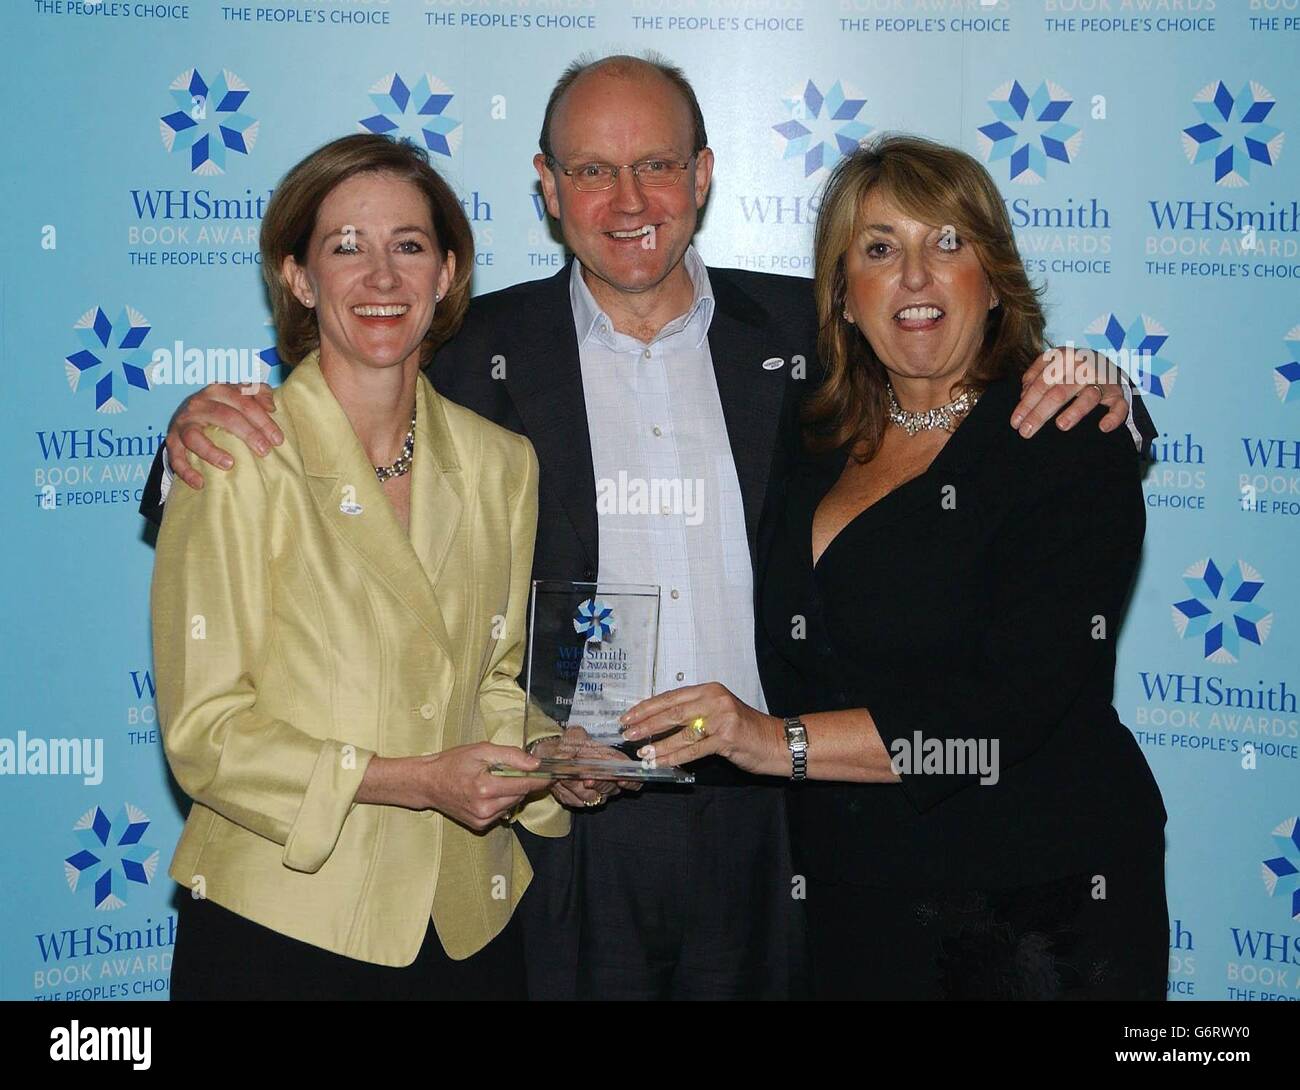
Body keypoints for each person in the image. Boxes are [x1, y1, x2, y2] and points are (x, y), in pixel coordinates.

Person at [140, 56, 1150, 1001]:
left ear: (702, 175)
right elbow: (317, 434)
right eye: (592, 170)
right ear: (546, 186)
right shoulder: (462, 349)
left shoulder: (813, 333)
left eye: (656, 165)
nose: (629, 201)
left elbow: (972, 387)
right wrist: (186, 433)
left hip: (788, 822)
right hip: (561, 821)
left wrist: (1105, 389)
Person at [621, 134, 1169, 1000]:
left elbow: (1000, 715)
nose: (915, 276)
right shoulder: (813, 434)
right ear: (840, 296)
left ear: (993, 279)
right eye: (880, 249)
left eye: (947, 243)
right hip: (848, 900)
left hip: (1038, 910)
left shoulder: (1063, 437)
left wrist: (770, 742)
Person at [151, 133, 565, 1001]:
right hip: (283, 921)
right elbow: (207, 734)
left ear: (447, 272)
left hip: (467, 927)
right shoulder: (232, 454)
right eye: (347, 248)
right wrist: (414, 783)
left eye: (408, 246)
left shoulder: (502, 464)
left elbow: (490, 681)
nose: (382, 278)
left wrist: (555, 758)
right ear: (299, 278)